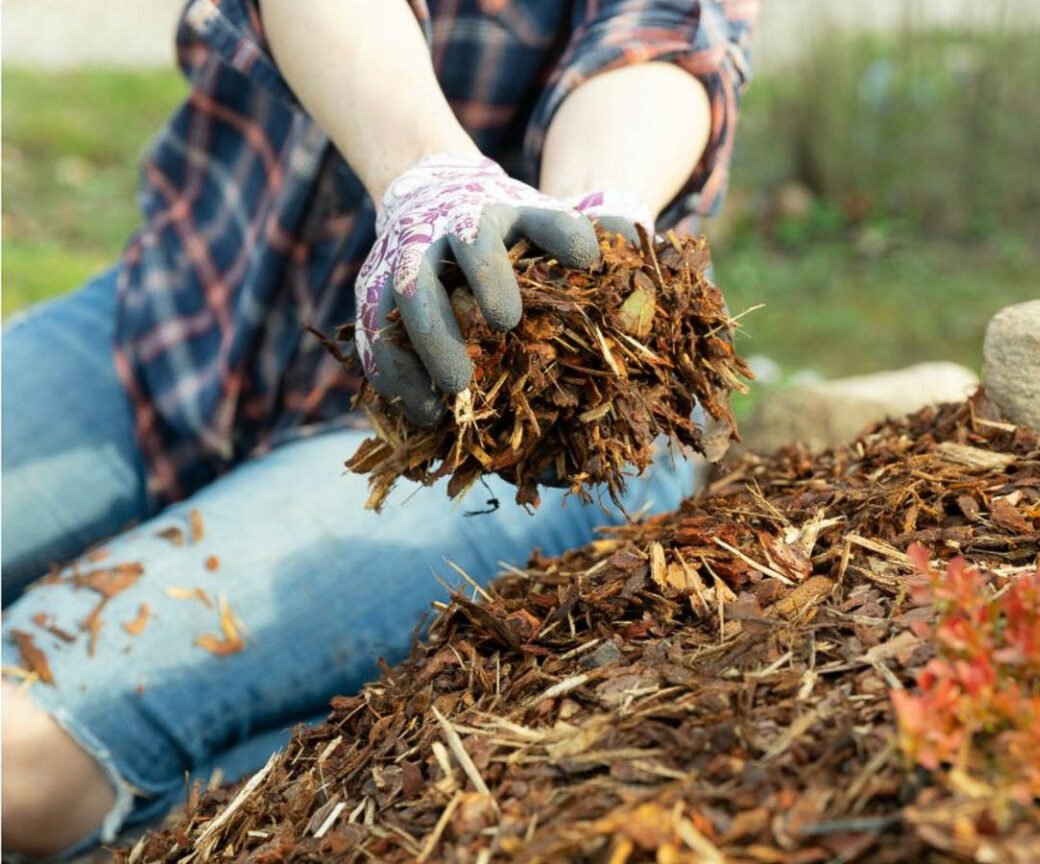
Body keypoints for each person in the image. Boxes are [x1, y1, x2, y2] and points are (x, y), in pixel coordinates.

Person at [0, 0, 755, 857]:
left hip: (492, 435)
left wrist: (597, 213)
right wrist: (431, 179)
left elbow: (660, 41)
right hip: (185, 314)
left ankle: (275, 771)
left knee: (20, 760)